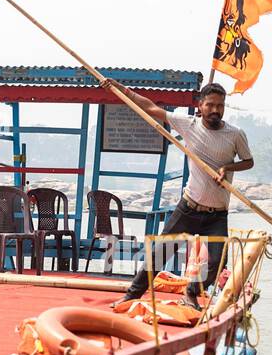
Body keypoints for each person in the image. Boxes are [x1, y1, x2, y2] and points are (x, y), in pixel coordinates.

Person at [100, 80, 254, 307]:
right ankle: (131, 296)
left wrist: (227, 168)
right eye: (210, 105)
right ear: (200, 106)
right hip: (189, 208)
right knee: (159, 255)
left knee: (217, 263)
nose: (215, 110)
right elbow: (150, 108)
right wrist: (121, 90)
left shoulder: (235, 134)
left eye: (220, 106)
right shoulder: (188, 125)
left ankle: (191, 292)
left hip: (217, 214)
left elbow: (248, 161)